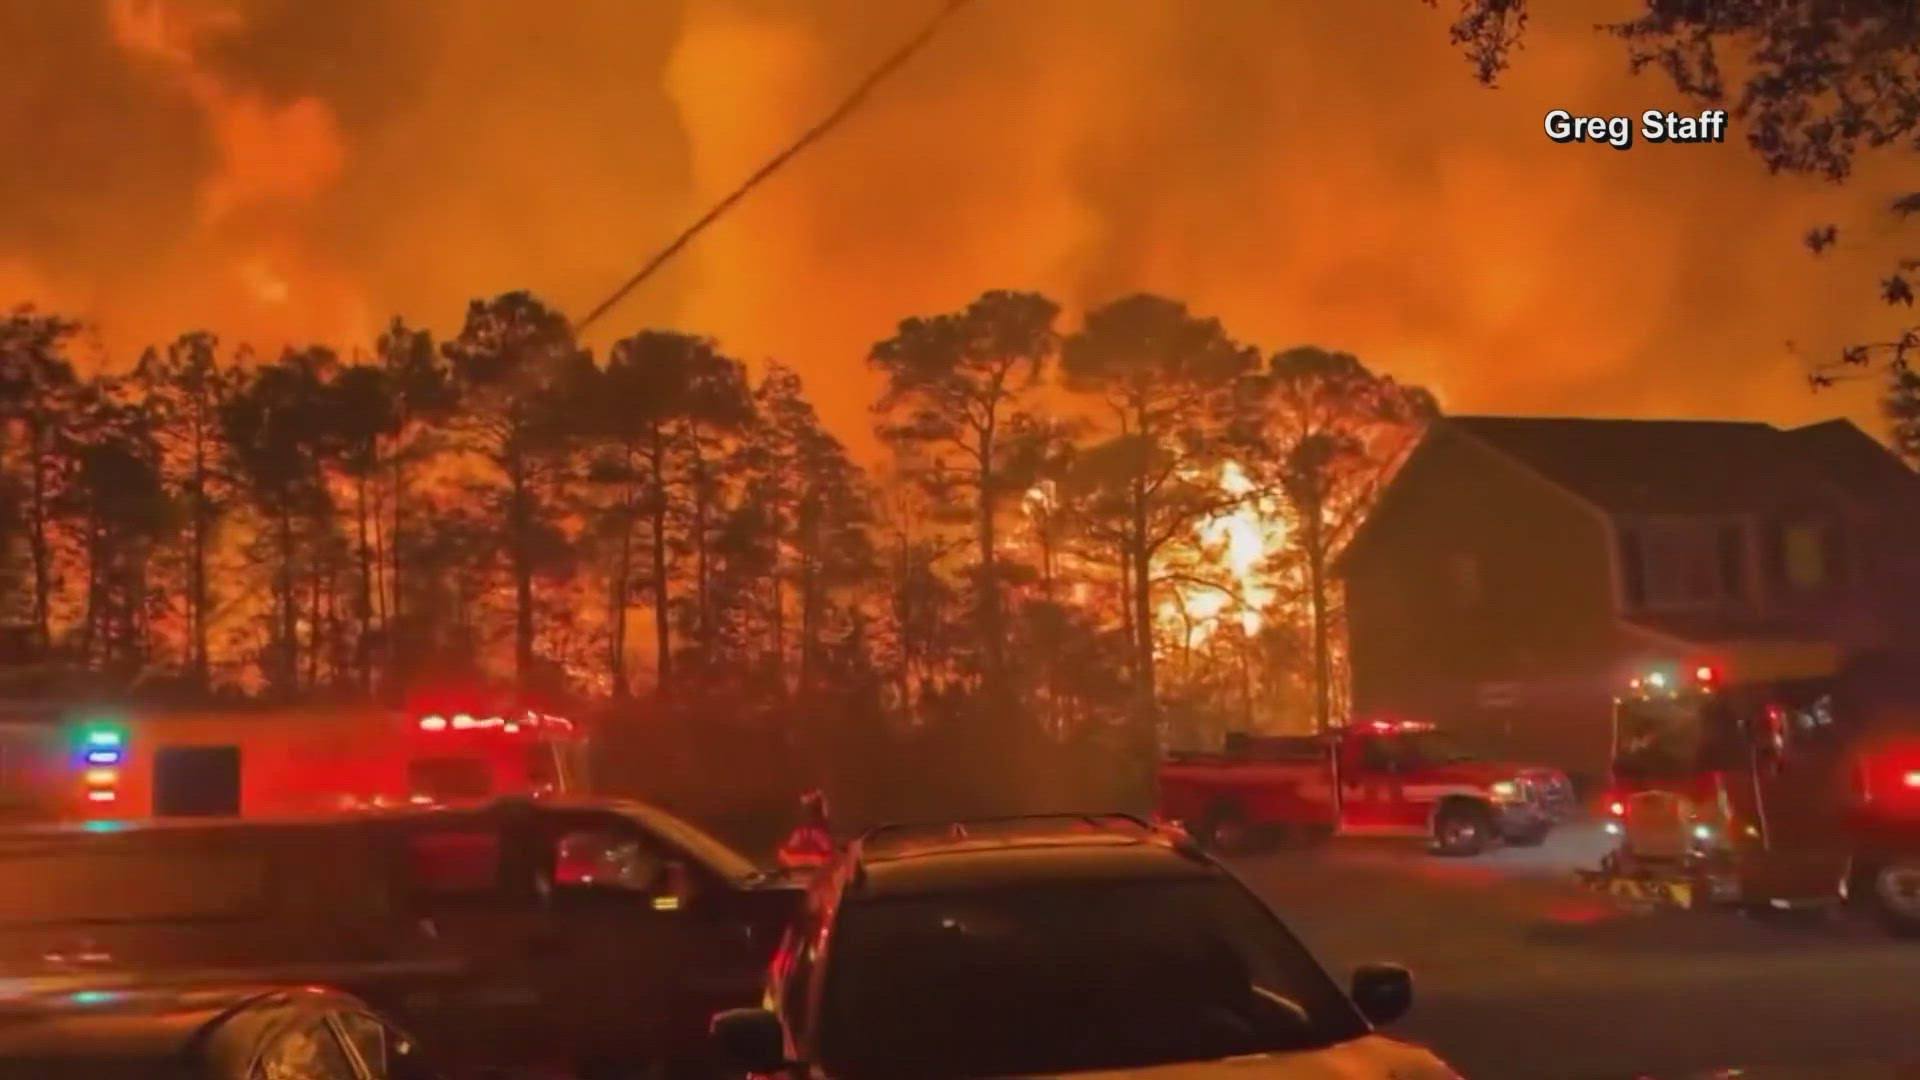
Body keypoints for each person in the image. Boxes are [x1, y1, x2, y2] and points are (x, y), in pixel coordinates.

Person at [777, 788, 837, 870]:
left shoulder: (790, 856)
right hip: (816, 854)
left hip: (810, 854)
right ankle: (813, 799)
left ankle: (812, 799)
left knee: (816, 825)